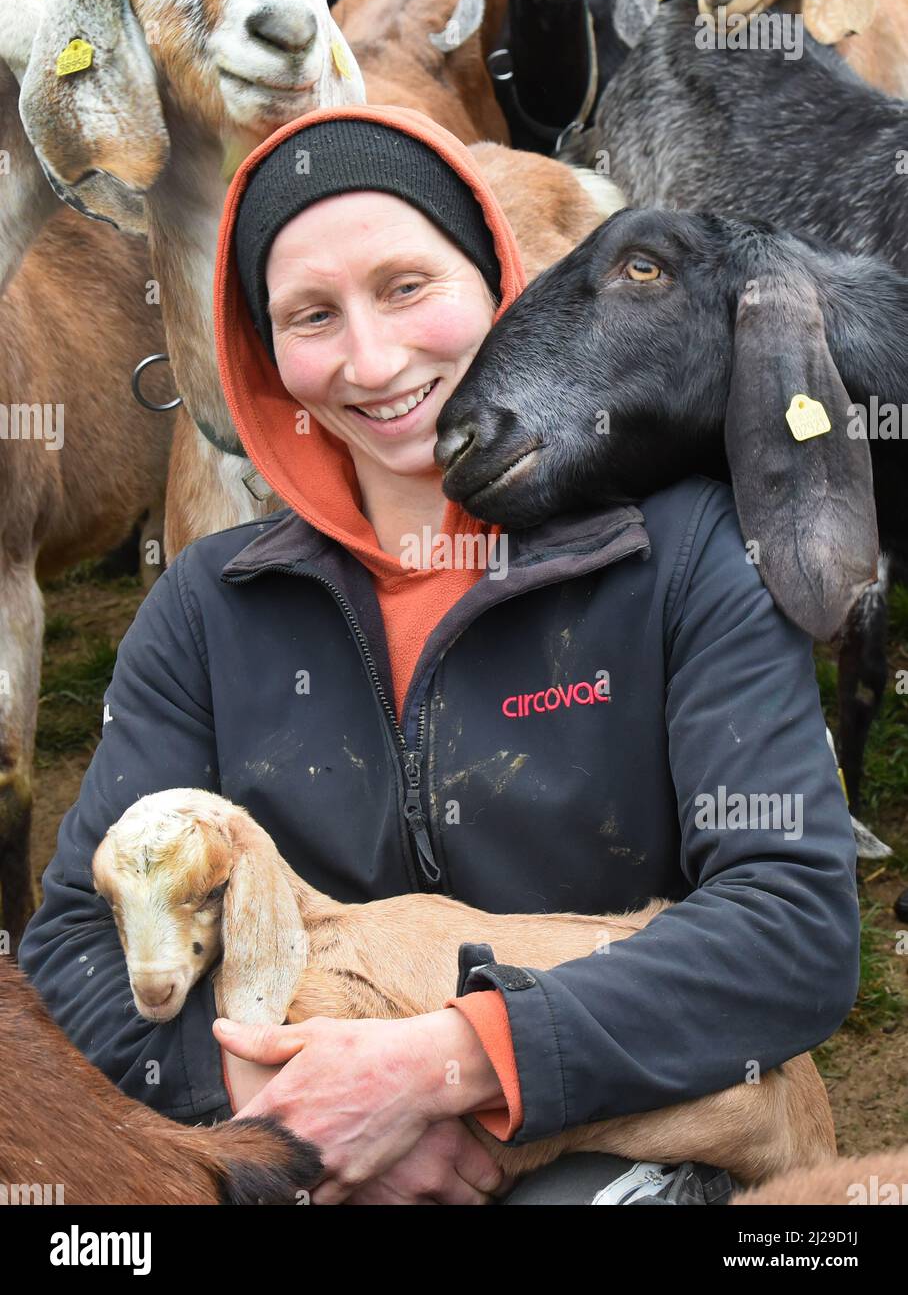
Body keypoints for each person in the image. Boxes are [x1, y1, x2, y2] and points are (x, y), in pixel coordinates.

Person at [19, 105, 860, 1205]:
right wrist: (301, 1117)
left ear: (500, 287)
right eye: (310, 314)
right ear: (264, 357)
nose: (371, 359)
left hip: (625, 1132)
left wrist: (452, 1069)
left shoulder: (684, 551)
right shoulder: (206, 608)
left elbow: (789, 924)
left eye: (408, 286)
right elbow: (76, 946)